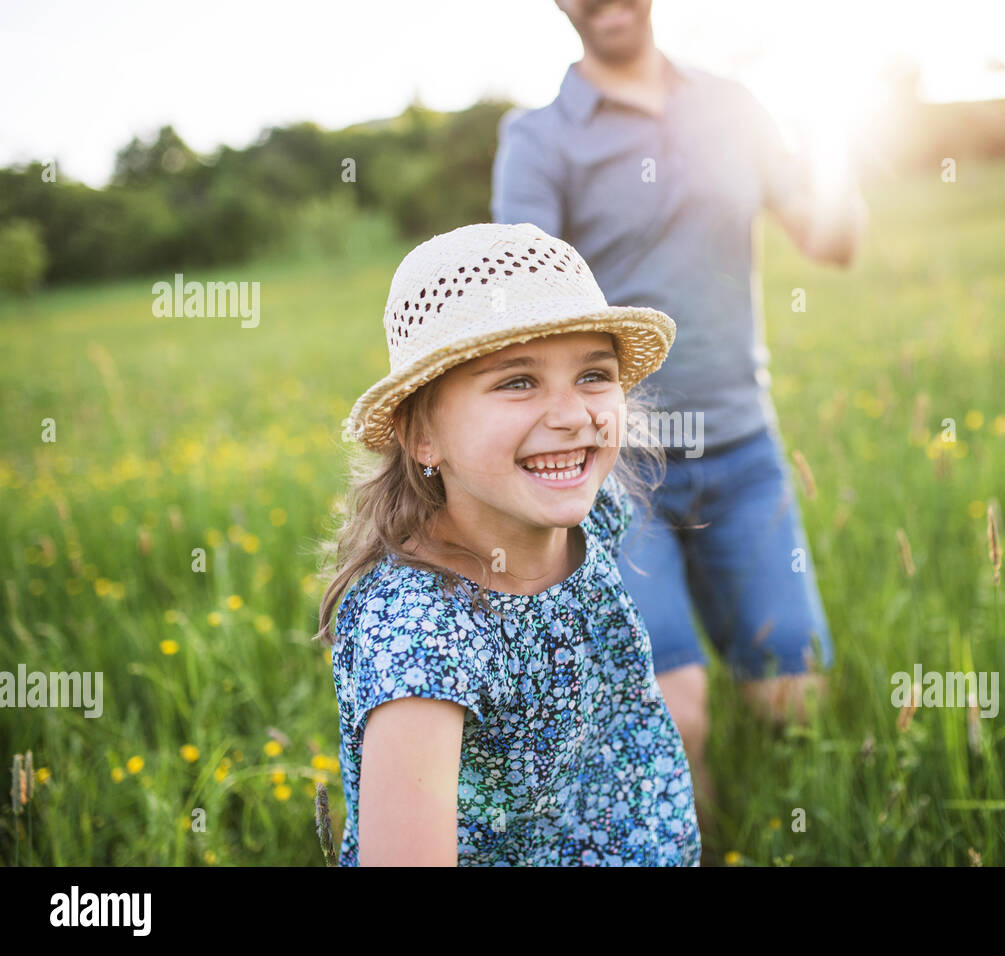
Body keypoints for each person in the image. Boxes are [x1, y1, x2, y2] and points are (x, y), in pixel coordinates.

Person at [491, 0, 864, 841]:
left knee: (794, 703)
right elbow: (520, 301)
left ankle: (798, 833)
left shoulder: (732, 105)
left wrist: (839, 135)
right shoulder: (542, 137)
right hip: (615, 470)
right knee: (674, 717)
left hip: (744, 450)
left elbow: (830, 240)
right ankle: (694, 847)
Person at [317, 221, 700, 866]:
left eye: (594, 375)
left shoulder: (590, 516)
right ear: (421, 437)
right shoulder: (422, 632)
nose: (572, 416)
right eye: (518, 382)